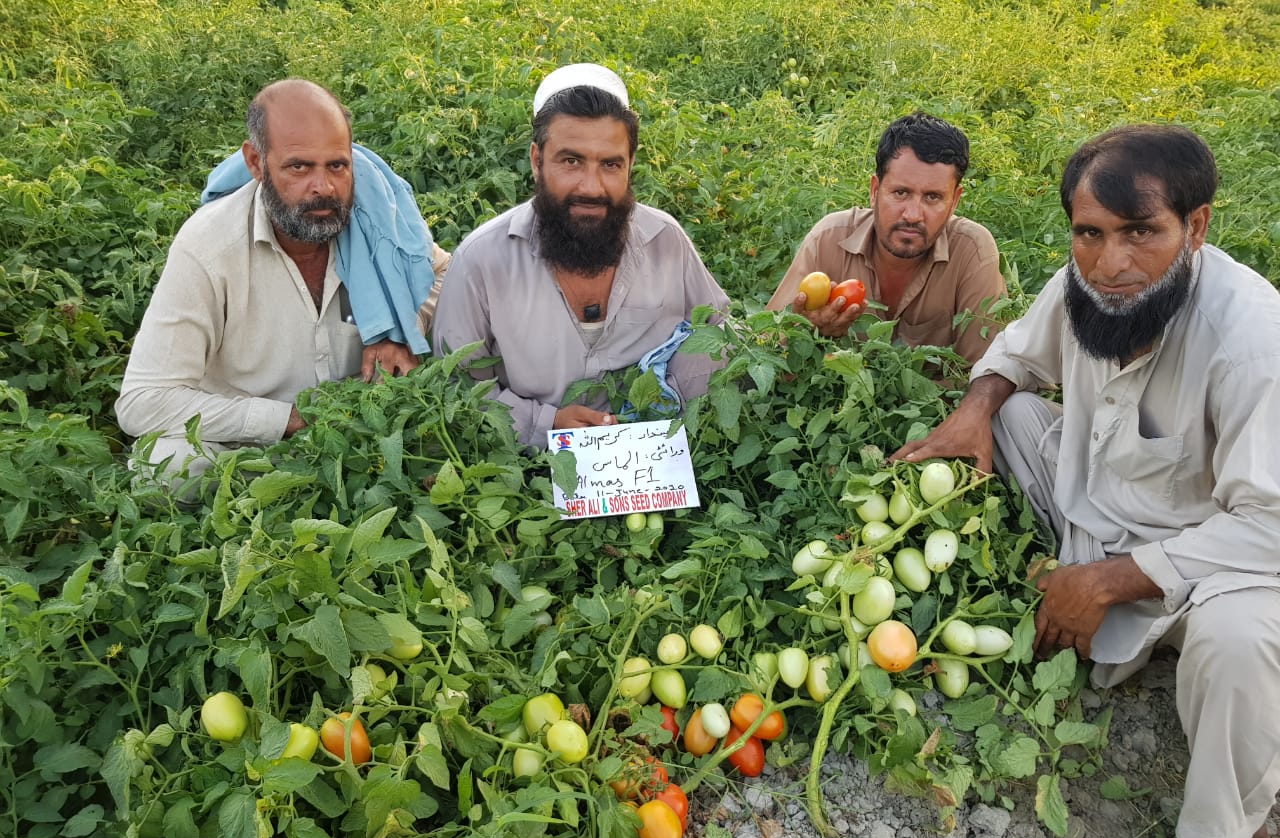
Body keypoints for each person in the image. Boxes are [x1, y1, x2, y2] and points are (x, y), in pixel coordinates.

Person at [892, 124, 1280, 838]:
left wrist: (1100, 581)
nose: (1111, 264)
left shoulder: (1250, 341)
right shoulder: (1084, 286)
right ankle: (1086, 591)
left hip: (1205, 557)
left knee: (1239, 639)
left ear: (1196, 226)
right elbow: (1017, 357)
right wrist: (973, 411)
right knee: (1013, 414)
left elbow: (1270, 524)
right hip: (1092, 509)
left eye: (1142, 233)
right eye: (1090, 233)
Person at [116, 78, 451, 482]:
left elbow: (444, 273)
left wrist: (400, 330)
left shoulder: (379, 223)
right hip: (245, 445)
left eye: (337, 166)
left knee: (446, 436)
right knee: (167, 468)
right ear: (256, 163)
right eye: (298, 167)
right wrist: (285, 419)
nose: (323, 188)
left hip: (361, 432)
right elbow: (141, 401)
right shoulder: (209, 247)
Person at [431, 63, 729, 449]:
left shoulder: (665, 241)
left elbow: (718, 338)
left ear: (630, 164)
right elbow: (455, 387)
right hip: (524, 475)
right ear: (537, 161)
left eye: (610, 164)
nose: (592, 187)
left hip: (659, 469)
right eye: (571, 161)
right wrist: (545, 423)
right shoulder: (481, 261)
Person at [766, 112, 1006, 363]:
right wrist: (804, 333)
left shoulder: (972, 251)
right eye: (901, 193)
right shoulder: (828, 240)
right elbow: (767, 345)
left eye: (932, 197)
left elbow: (984, 372)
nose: (913, 215)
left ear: (955, 201)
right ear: (875, 190)